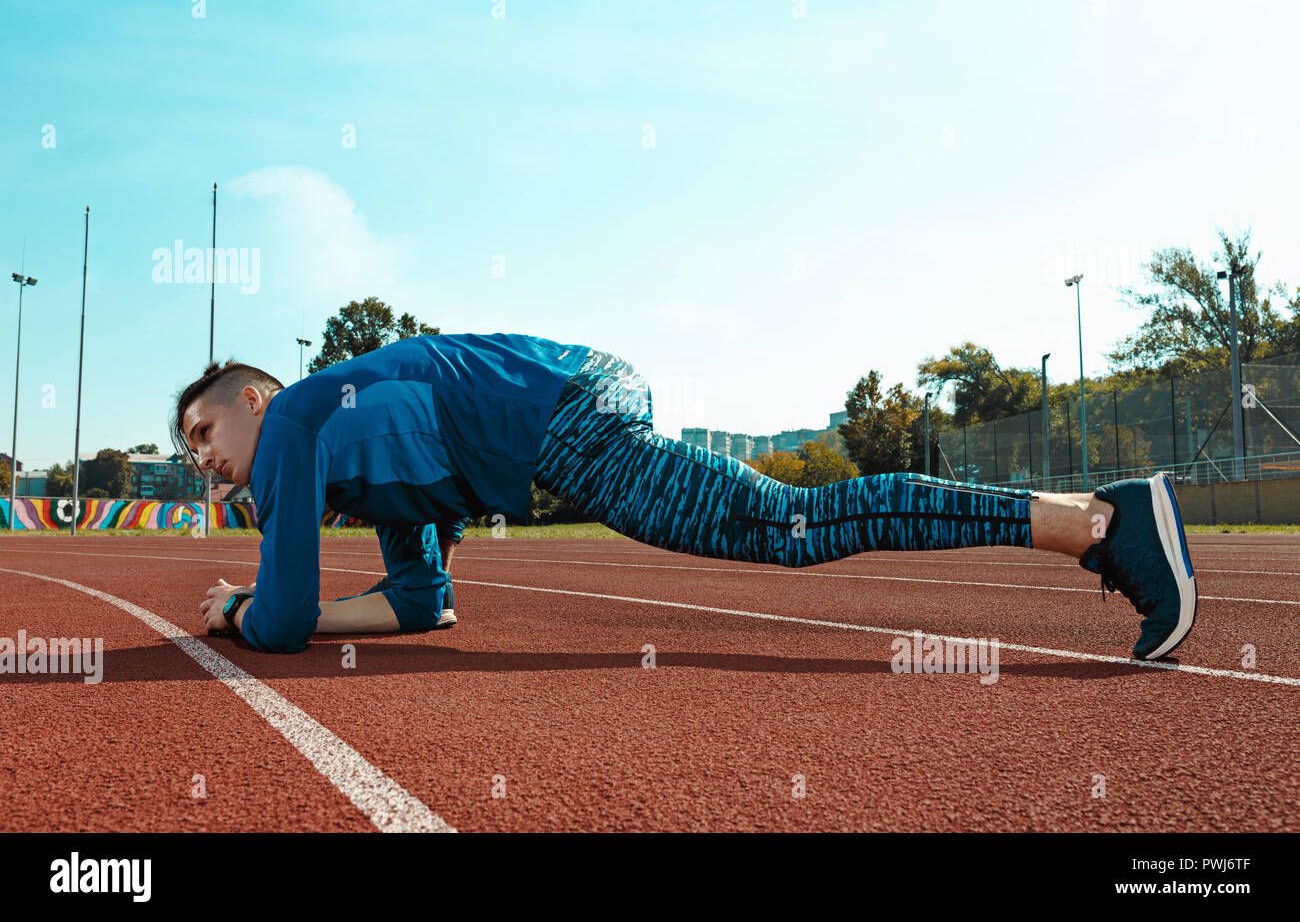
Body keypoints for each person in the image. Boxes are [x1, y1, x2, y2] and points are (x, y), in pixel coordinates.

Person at [175, 333, 1196, 660]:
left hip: (557, 414)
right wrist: (288, 612)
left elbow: (280, 622)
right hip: (562, 410)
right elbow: (419, 600)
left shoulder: (302, 416)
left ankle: (1101, 523)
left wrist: (247, 611)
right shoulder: (364, 457)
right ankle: (1094, 518)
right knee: (786, 525)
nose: (204, 459)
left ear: (254, 399)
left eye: (204, 432)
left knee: (786, 524)